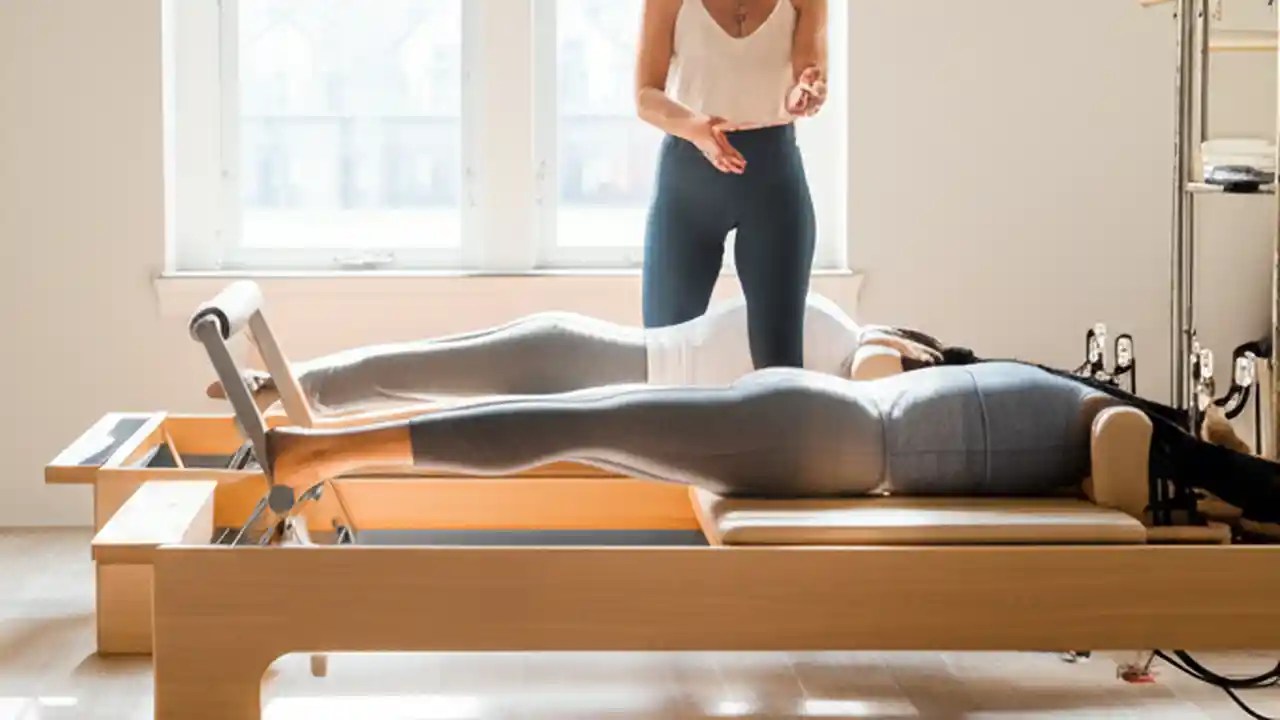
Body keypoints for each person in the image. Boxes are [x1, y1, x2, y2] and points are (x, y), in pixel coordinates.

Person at [264, 361, 1280, 526]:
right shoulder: (1131, 428)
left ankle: (326, 445)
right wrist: (1227, 471)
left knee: (585, 418)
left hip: (817, 420)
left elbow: (1248, 486)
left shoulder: (1098, 406)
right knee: (581, 420)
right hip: (819, 432)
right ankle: (322, 450)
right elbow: (1253, 487)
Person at [208, 293, 944, 415]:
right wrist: (929, 362)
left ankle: (284, 383)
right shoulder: (858, 347)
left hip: (575, 351)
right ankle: (284, 388)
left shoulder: (833, 330)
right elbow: (882, 383)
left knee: (422, 367)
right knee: (420, 371)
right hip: (574, 360)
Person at [635, 0, 828, 371]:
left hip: (774, 177)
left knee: (781, 362)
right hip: (688, 180)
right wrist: (697, 128)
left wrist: (806, 93)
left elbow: (810, 70)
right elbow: (646, 94)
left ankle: (780, 429)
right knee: (667, 355)